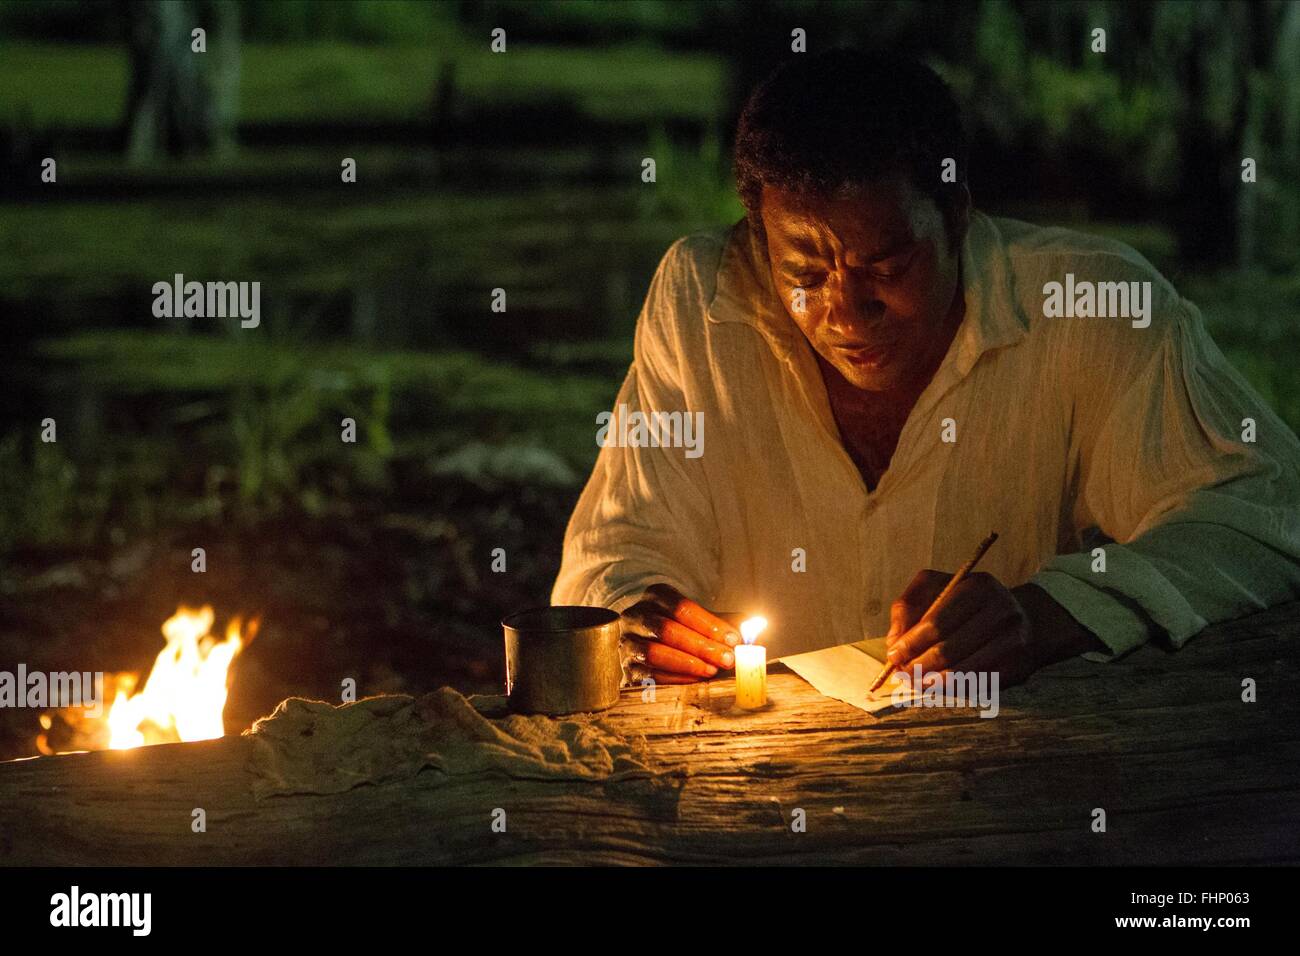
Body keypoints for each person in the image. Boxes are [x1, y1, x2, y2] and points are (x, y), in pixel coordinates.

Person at [552, 49, 1300, 689]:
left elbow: (1265, 514)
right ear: (757, 241)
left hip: (1014, 786)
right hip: (752, 792)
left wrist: (1052, 611)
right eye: (805, 271)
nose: (845, 312)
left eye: (886, 265)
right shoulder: (701, 304)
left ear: (957, 214)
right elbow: (615, 550)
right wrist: (632, 615)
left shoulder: (1092, 309)